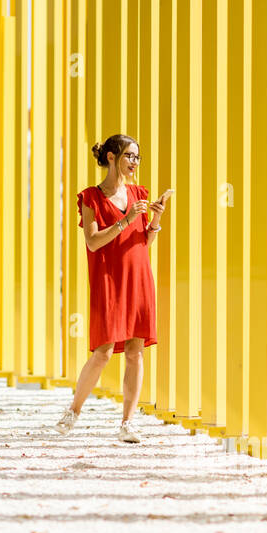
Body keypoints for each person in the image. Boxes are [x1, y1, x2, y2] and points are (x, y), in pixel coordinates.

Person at [56, 133, 172, 443]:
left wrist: (155, 222)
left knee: (135, 352)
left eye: (137, 157)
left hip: (138, 276)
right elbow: (93, 242)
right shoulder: (90, 197)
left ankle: (128, 423)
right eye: (129, 155)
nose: (135, 162)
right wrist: (125, 221)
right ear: (111, 157)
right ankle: (74, 411)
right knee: (103, 351)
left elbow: (143, 241)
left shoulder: (139, 193)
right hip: (108, 277)